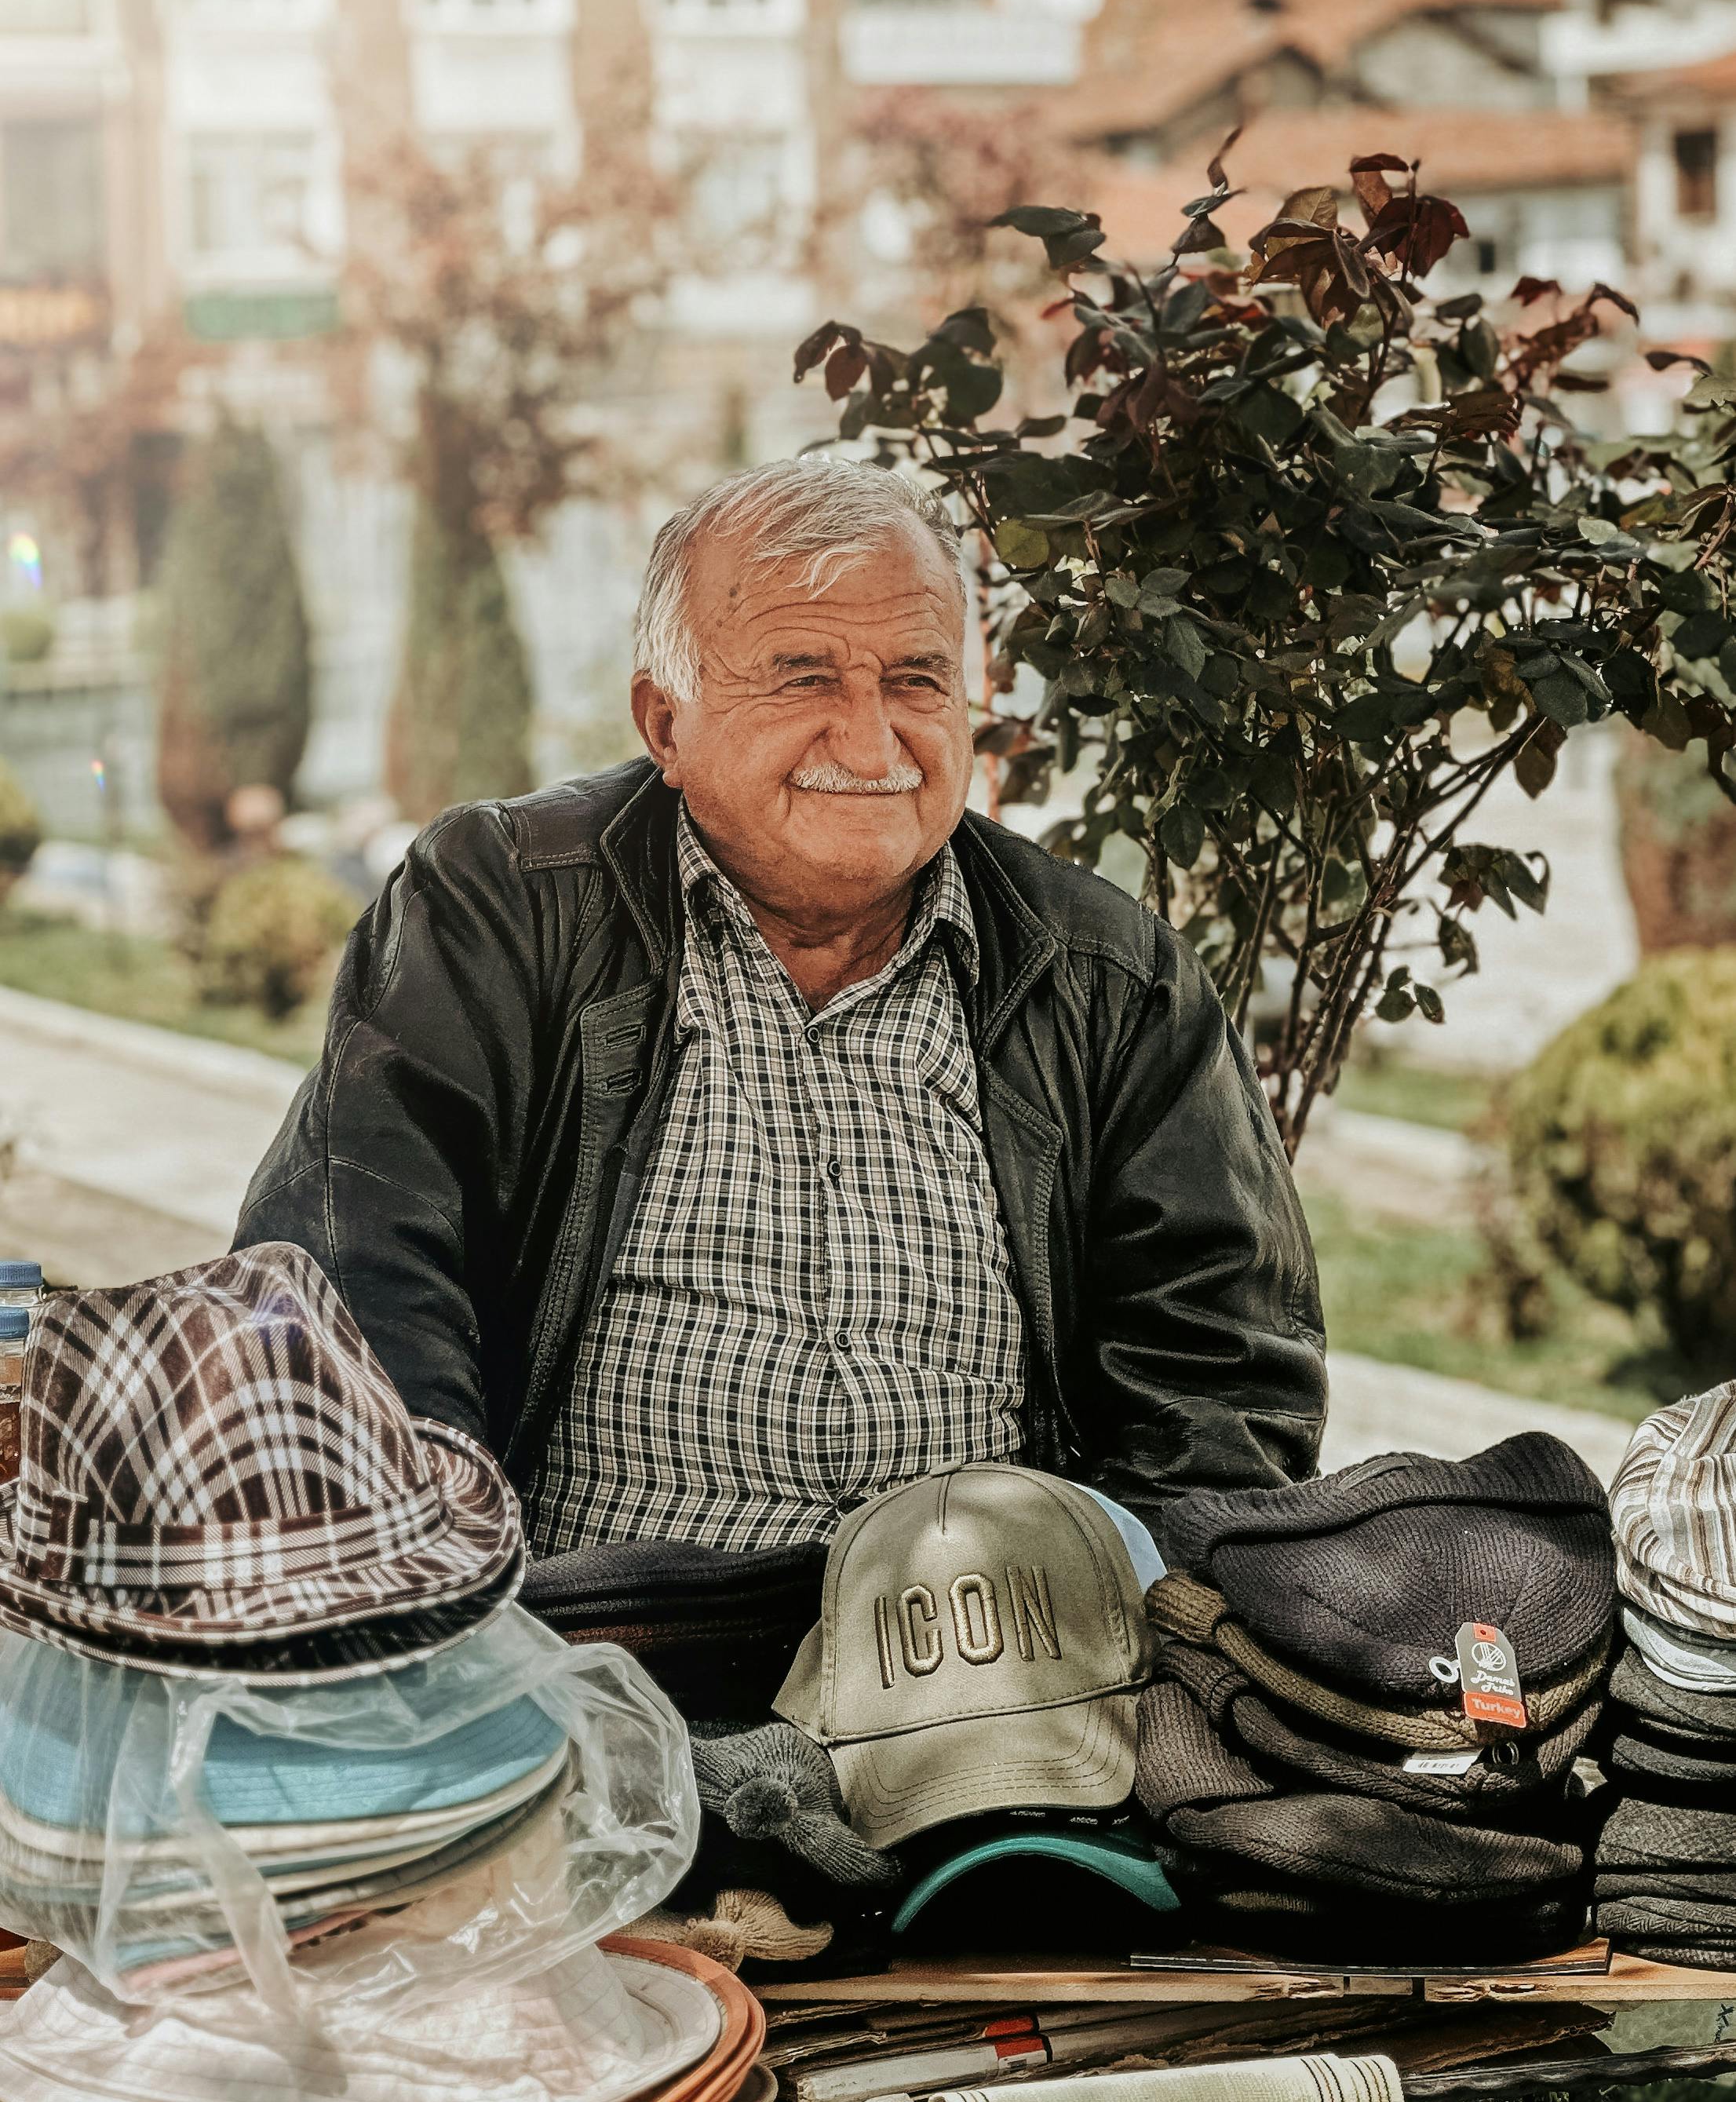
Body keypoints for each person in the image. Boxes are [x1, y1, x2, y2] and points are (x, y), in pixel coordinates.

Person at [236, 459, 1326, 1551]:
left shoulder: (1108, 980)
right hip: (600, 1653)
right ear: (667, 725)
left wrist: (1109, 1630)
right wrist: (457, 1607)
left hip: (990, 1683)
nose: (871, 741)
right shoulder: (499, 906)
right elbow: (350, 1270)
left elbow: (1222, 1384)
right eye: (804, 679)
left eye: (915, 680)